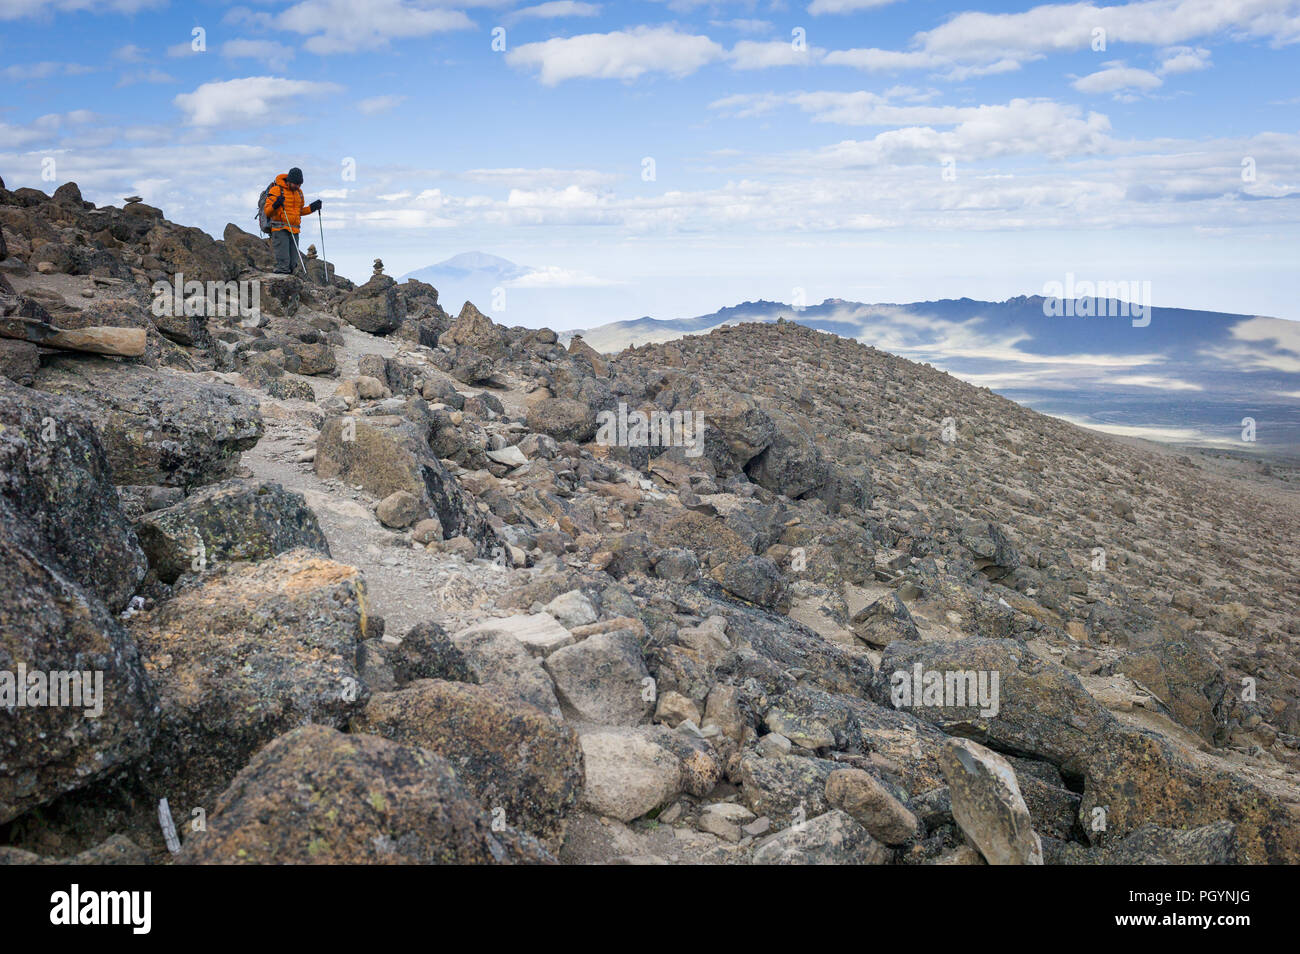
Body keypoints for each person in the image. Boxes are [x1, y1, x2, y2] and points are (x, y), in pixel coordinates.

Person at [263, 167, 321, 275]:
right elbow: (267, 212)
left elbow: (299, 212)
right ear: (289, 181)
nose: (298, 187)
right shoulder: (276, 190)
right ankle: (280, 285)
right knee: (283, 265)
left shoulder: (299, 193)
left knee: (292, 264)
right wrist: (276, 205)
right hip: (280, 228)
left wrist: (313, 207)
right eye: (295, 184)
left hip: (294, 230)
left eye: (299, 184)